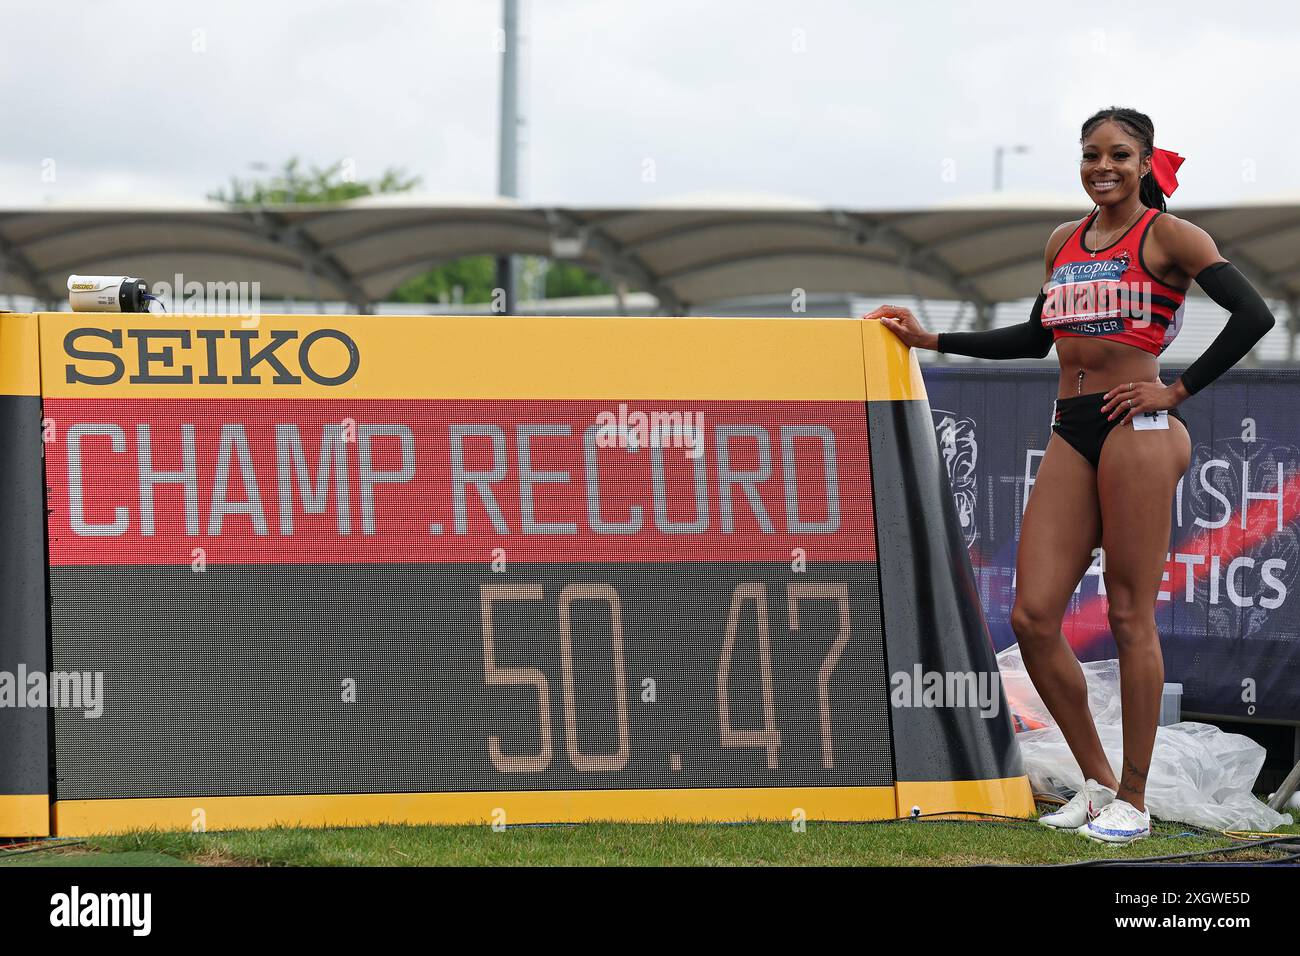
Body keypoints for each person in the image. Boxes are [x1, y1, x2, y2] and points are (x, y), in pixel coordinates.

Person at [864, 107, 1276, 844]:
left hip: (1140, 427)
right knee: (1032, 617)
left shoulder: (1171, 236)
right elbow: (1034, 334)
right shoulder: (1065, 241)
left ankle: (1136, 802)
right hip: (1071, 426)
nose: (1102, 166)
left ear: (1146, 163)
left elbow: (1252, 316)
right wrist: (934, 339)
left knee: (1127, 615)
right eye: (1091, 154)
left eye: (1119, 154)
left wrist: (1176, 392)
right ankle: (1098, 785)